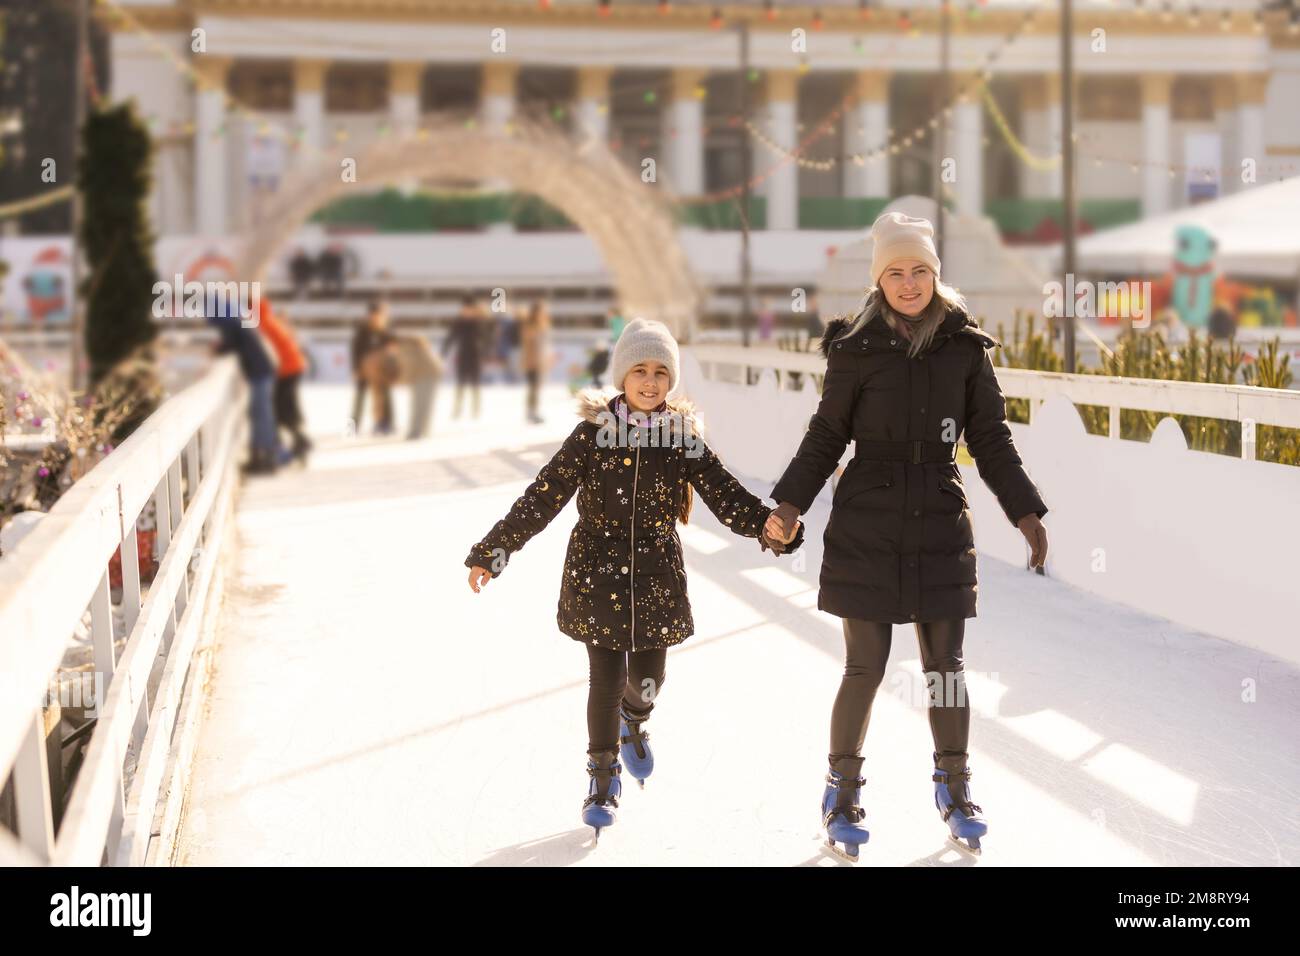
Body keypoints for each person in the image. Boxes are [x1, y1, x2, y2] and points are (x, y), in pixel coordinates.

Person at [765, 211, 1050, 862]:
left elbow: (991, 438)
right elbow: (826, 435)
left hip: (939, 523)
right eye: (895, 271)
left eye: (919, 269)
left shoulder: (965, 348)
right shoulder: (855, 347)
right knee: (864, 667)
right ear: (879, 278)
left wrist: (1025, 510)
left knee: (945, 670)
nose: (909, 282)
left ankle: (954, 788)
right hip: (866, 520)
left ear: (935, 274)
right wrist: (787, 506)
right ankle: (842, 792)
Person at [464, 318, 803, 841]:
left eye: (661, 373)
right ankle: (602, 779)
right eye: (640, 370)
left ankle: (634, 719)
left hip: (656, 575)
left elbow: (723, 492)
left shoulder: (682, 439)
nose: (650, 382)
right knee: (604, 676)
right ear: (622, 376)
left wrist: (768, 527)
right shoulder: (593, 435)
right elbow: (543, 496)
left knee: (648, 679)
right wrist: (494, 550)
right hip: (596, 570)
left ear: (672, 381)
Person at [206, 290, 284, 475]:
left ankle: (265, 458)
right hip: (261, 372)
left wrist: (216, 350)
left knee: (261, 415)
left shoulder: (233, 325)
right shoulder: (238, 322)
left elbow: (229, 345)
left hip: (260, 373)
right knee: (259, 414)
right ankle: (263, 456)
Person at [255, 297, 312, 464]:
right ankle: (296, 441)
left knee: (281, 409)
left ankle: (297, 442)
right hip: (291, 367)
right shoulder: (268, 320)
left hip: (288, 369)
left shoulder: (262, 324)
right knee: (283, 407)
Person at [351, 300, 395, 435]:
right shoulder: (362, 330)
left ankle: (387, 424)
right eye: (373, 316)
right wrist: (356, 368)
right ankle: (352, 427)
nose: (375, 319)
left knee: (386, 396)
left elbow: (392, 350)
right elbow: (355, 350)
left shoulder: (386, 331)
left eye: (379, 316)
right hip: (364, 368)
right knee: (359, 397)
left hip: (381, 369)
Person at [442, 295, 488, 419]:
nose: (467, 311)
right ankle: (457, 409)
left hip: (475, 356)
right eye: (465, 308)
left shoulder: (479, 321)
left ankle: (476, 410)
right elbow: (451, 337)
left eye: (470, 308)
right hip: (463, 356)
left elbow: (487, 337)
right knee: (460, 384)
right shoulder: (459, 322)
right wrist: (444, 351)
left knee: (475, 384)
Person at [519, 300, 553, 424]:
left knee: (537, 387)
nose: (544, 313)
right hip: (532, 362)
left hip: (540, 361)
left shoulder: (543, 325)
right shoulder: (530, 327)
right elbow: (527, 346)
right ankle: (531, 412)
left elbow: (545, 345)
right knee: (533, 387)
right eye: (541, 311)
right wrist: (530, 361)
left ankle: (533, 411)